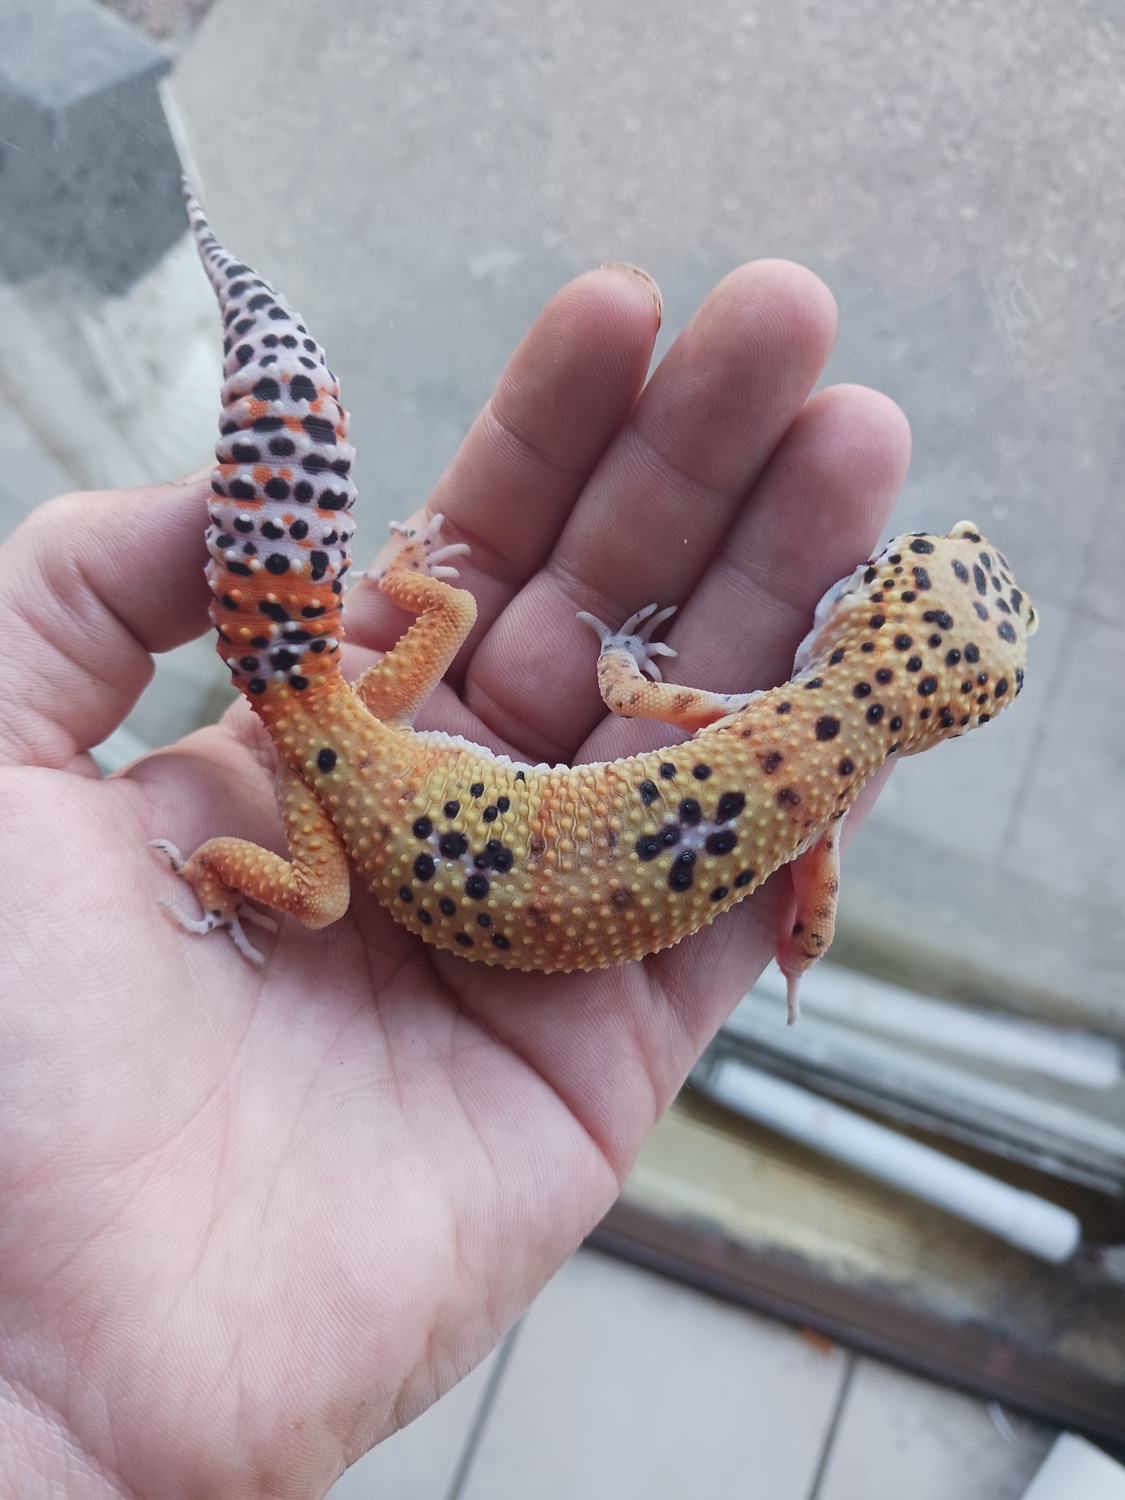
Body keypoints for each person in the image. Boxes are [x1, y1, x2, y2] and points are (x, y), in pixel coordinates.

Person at [0, 258, 908, 1496]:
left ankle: (239, 835)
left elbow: (475, 648)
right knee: (319, 898)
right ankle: (214, 871)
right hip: (349, 758)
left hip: (358, 741)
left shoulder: (357, 713)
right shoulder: (803, 787)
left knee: (344, 841)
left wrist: (414, 569)